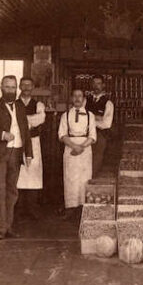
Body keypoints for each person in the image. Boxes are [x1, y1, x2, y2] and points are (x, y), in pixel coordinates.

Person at [0, 76, 33, 240]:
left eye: (13, 87)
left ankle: (8, 226)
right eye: (8, 87)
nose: (11, 90)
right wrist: (2, 135)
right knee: (0, 191)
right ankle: (0, 229)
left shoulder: (20, 107)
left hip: (16, 153)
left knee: (12, 192)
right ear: (1, 87)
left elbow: (25, 131)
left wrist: (28, 153)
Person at [59, 89, 97, 220]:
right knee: (70, 178)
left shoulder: (90, 115)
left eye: (79, 96)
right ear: (71, 98)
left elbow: (92, 136)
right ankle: (70, 208)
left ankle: (83, 208)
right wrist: (74, 146)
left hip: (85, 149)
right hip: (70, 148)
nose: (77, 98)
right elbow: (62, 135)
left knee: (84, 178)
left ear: (84, 99)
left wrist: (81, 147)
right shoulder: (65, 115)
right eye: (74, 96)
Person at [16, 77, 46, 219]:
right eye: (24, 85)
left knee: (33, 172)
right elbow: (12, 120)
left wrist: (22, 120)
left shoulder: (38, 104)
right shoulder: (14, 104)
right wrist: (29, 119)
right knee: (18, 172)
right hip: (17, 141)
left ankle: (32, 208)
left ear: (33, 87)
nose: (26, 87)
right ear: (20, 87)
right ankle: (19, 208)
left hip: (33, 142)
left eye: (29, 85)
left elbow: (40, 119)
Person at [85, 75, 114, 175]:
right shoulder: (85, 100)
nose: (96, 86)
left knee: (96, 160)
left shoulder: (108, 103)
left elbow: (106, 124)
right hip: (86, 134)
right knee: (85, 158)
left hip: (100, 135)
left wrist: (90, 118)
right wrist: (97, 117)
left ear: (103, 85)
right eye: (94, 83)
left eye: (99, 84)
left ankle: (91, 179)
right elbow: (80, 117)